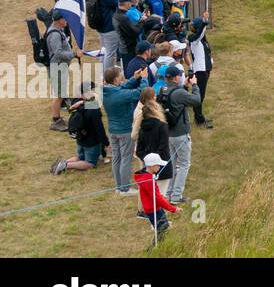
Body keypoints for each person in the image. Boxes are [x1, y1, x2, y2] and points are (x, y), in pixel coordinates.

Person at [158, 63, 202, 203]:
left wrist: (185, 87)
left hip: (167, 133)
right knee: (184, 164)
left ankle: (169, 193)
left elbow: (175, 99)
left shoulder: (162, 90)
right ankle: (176, 196)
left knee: (171, 163)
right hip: (180, 134)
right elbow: (196, 101)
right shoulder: (179, 93)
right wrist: (194, 85)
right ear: (176, 78)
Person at [102, 64, 147, 194]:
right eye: (120, 78)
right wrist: (143, 78)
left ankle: (118, 186)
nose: (122, 80)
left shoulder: (106, 91)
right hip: (125, 130)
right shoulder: (119, 94)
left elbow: (122, 87)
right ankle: (125, 188)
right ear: (115, 80)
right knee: (126, 159)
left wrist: (134, 78)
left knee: (116, 158)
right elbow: (140, 93)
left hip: (113, 130)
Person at [51, 82, 109, 176]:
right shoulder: (93, 109)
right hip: (91, 142)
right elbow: (99, 129)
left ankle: (62, 163)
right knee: (90, 163)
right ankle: (65, 165)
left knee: (80, 157)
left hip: (80, 139)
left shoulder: (76, 103)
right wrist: (106, 143)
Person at [134, 152, 177, 241]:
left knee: (163, 227)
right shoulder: (149, 180)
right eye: (158, 165)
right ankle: (154, 248)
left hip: (154, 207)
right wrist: (173, 209)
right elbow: (157, 198)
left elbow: (154, 194)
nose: (160, 167)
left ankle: (160, 245)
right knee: (161, 229)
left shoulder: (148, 176)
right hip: (153, 209)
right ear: (151, 166)